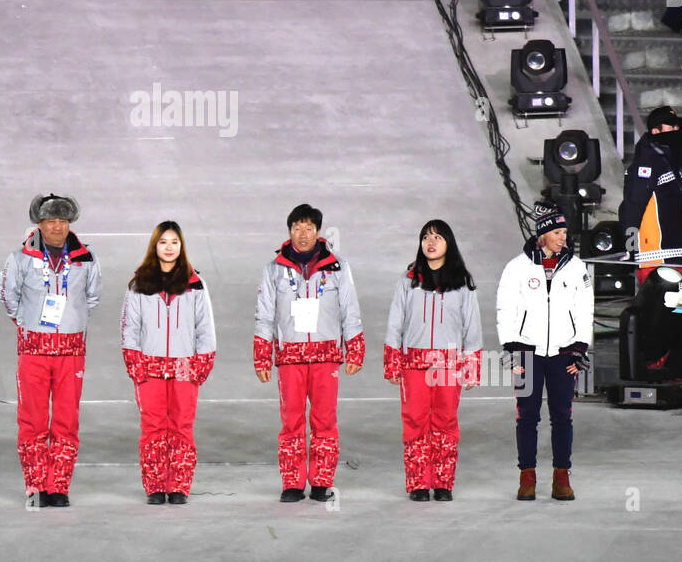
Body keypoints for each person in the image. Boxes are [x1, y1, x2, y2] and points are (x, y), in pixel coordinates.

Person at [253, 203, 365, 503]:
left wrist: (355, 349)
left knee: (324, 421)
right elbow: (264, 314)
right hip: (290, 356)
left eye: (309, 228)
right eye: (296, 228)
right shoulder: (273, 268)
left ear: (318, 231)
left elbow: (349, 310)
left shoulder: (338, 266)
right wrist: (262, 354)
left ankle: (321, 482)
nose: (302, 234)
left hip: (326, 354)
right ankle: (292, 483)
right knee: (291, 421)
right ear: (289, 231)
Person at [0, 193, 102, 508]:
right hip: (34, 350)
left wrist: (71, 322)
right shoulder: (19, 259)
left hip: (71, 351)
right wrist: (31, 325)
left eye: (62, 221)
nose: (57, 227)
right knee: (32, 420)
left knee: (66, 421)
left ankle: (59, 486)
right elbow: (9, 298)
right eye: (51, 221)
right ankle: (35, 485)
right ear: (39, 224)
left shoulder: (87, 259)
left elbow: (92, 298)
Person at [496, 202, 594, 501]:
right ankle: (527, 477)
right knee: (527, 416)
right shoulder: (517, 268)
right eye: (557, 232)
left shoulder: (577, 269)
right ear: (543, 235)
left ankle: (561, 478)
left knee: (562, 415)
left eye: (565, 232)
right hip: (528, 353)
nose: (563, 238)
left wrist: (580, 349)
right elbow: (506, 308)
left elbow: (585, 310)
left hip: (564, 354)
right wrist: (512, 349)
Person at [382, 220, 482, 502]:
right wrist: (393, 362)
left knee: (446, 422)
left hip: (448, 365)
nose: (431, 242)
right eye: (426, 237)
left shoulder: (462, 282)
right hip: (414, 362)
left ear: (448, 243)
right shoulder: (409, 279)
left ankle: (443, 483)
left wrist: (471, 366)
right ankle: (418, 484)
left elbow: (471, 326)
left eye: (437, 237)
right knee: (415, 421)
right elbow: (395, 322)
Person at [121, 221, 216, 505]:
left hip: (185, 365)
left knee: (182, 426)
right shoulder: (139, 283)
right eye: (163, 242)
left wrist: (202, 362)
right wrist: (134, 361)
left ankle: (178, 486)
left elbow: (205, 327)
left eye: (174, 242)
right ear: (155, 246)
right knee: (152, 427)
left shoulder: (195, 283)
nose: (169, 247)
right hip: (149, 365)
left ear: (181, 246)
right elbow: (130, 327)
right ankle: (154, 486)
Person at [619, 105, 682, 273]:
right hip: (655, 257)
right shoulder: (646, 164)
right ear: (655, 131)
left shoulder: (673, 159)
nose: (677, 130)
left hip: (677, 253)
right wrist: (630, 247)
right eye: (672, 127)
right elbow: (633, 207)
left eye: (678, 126)